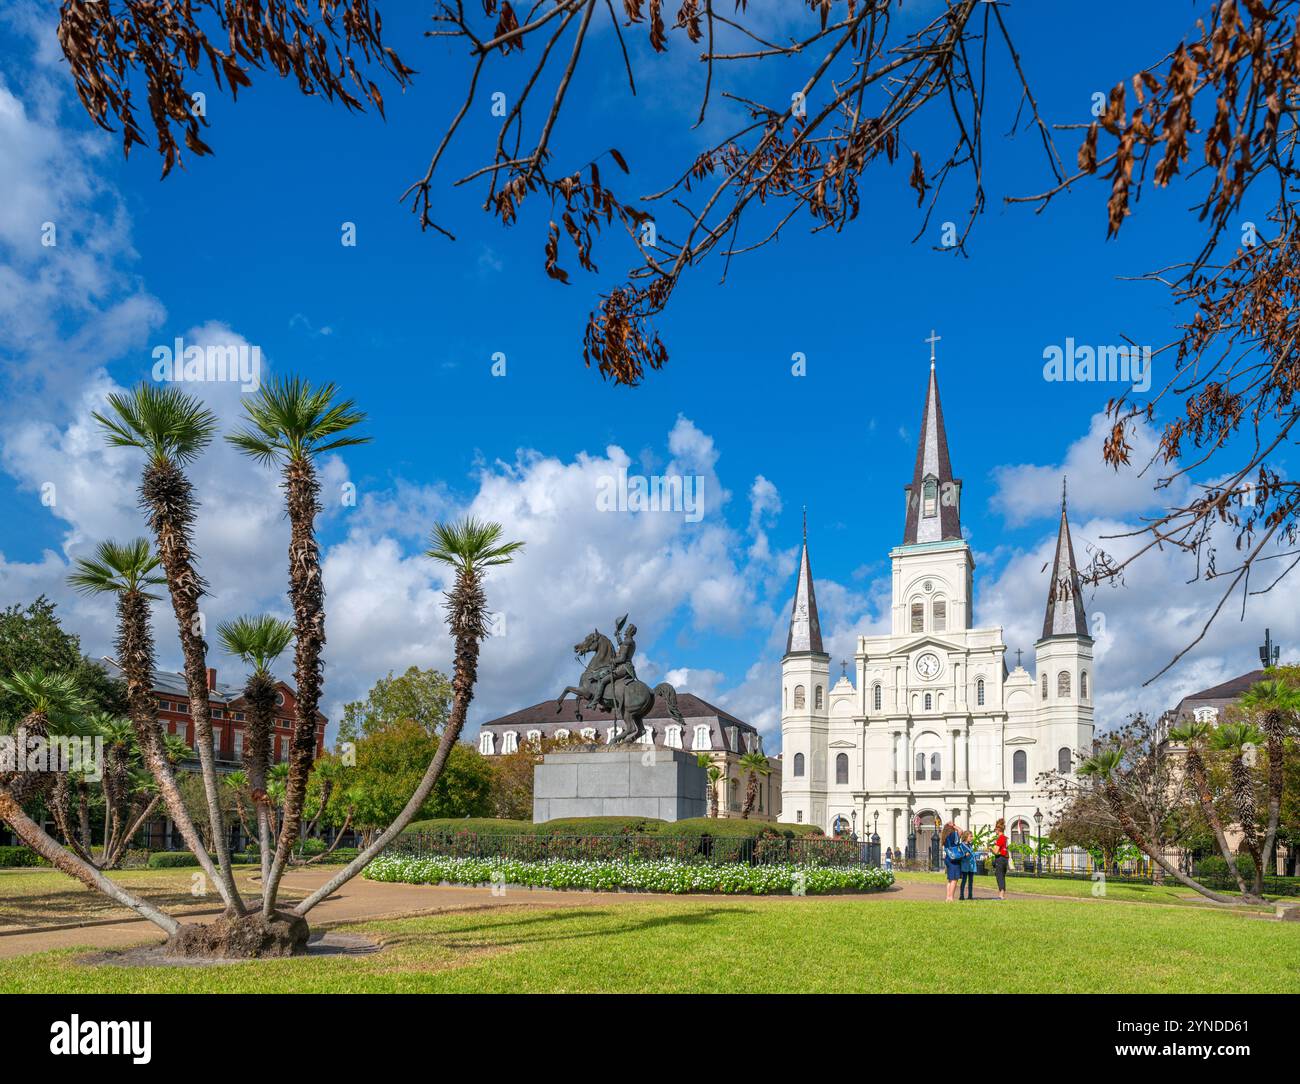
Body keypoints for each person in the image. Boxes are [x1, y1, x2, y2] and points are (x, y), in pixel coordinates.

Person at [942, 821, 963, 902]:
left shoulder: (945, 837)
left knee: (950, 879)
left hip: (948, 858)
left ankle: (948, 897)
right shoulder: (953, 835)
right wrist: (954, 826)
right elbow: (961, 831)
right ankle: (950, 897)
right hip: (954, 859)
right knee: (954, 879)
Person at [992, 817, 1009, 900]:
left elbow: (996, 851)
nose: (995, 830)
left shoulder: (1000, 838)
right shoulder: (1005, 838)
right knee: (1002, 876)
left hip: (1000, 859)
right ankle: (1001, 894)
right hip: (1005, 859)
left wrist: (990, 848)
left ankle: (1001, 895)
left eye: (995, 829)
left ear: (998, 829)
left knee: (999, 876)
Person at [958, 830, 977, 900]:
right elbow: (959, 855)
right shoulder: (961, 845)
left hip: (971, 865)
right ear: (966, 837)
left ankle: (970, 895)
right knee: (964, 880)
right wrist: (965, 855)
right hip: (965, 865)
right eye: (970, 836)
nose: (972, 838)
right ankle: (961, 895)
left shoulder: (970, 845)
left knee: (971, 881)